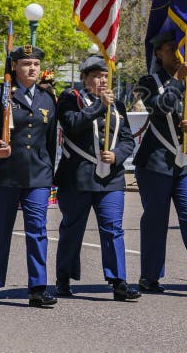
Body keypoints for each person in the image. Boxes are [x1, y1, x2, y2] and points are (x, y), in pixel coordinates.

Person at [133, 31, 187, 297]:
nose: (177, 53)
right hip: (156, 163)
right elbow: (159, 108)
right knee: (155, 219)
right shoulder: (148, 82)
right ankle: (150, 276)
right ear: (158, 53)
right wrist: (176, 80)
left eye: (180, 48)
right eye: (171, 48)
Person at [0, 45, 58, 307]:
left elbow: (50, 141)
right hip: (4, 174)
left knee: (38, 230)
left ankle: (38, 287)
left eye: (35, 64)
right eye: (26, 64)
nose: (32, 68)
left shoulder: (47, 97)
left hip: (37, 175)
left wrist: (50, 173)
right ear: (15, 66)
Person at [54, 55, 140, 301]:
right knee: (72, 230)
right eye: (96, 76)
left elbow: (127, 139)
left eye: (105, 76)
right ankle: (63, 277)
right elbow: (72, 124)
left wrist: (117, 154)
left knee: (113, 228)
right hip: (78, 176)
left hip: (110, 178)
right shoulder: (71, 99)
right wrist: (100, 105)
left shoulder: (118, 105)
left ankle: (118, 281)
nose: (102, 80)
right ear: (84, 78)